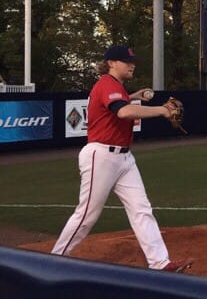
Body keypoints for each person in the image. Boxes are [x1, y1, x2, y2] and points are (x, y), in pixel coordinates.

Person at [51, 46, 193, 272]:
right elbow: (123, 112)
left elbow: (120, 105)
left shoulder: (116, 87)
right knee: (87, 214)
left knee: (141, 209)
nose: (132, 64)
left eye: (132, 60)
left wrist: (133, 96)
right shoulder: (107, 83)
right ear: (111, 63)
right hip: (102, 156)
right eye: (126, 61)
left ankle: (160, 263)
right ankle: (54, 260)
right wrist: (163, 110)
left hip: (124, 158)